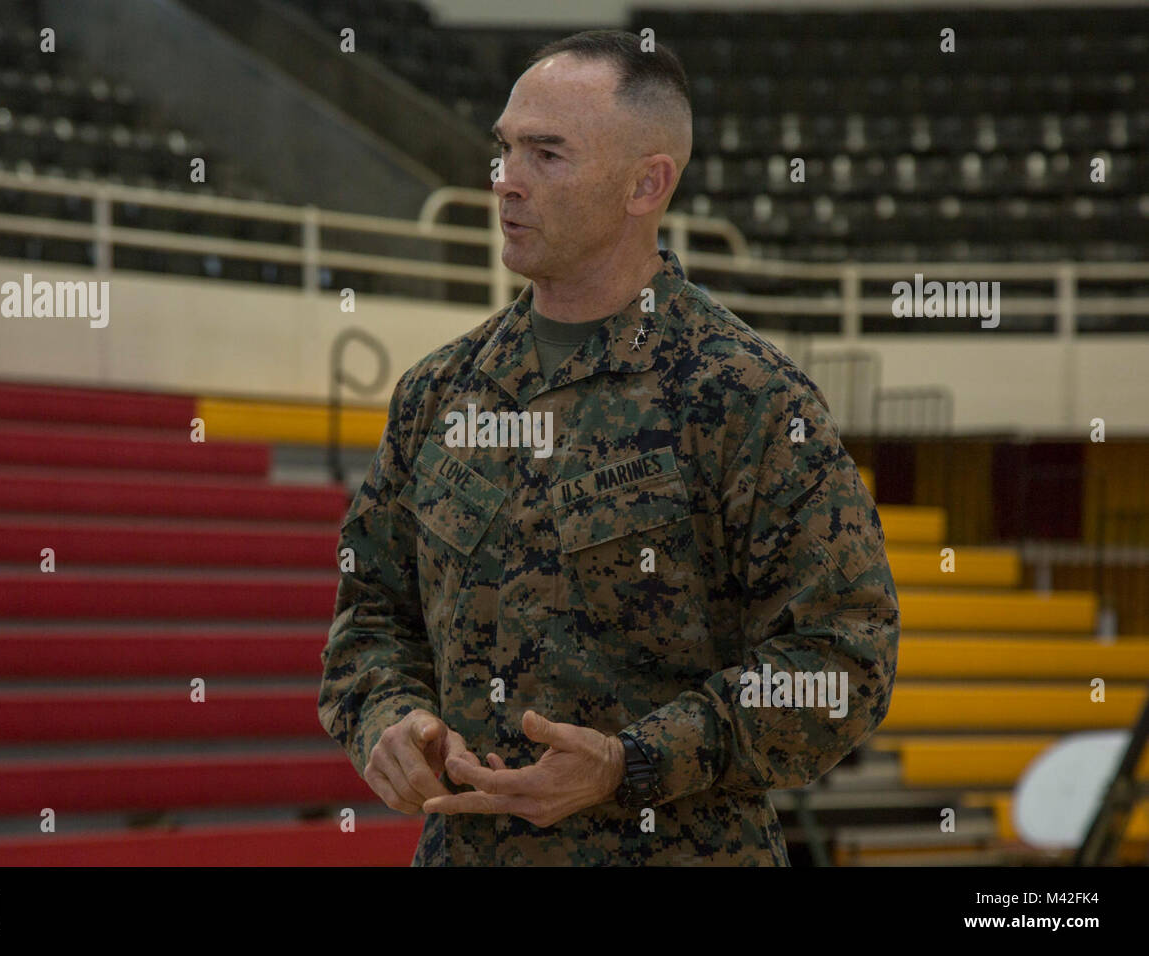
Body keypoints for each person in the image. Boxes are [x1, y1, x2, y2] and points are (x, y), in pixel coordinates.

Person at [318, 29, 900, 865]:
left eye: (545, 155)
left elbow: (843, 660)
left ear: (646, 184)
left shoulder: (746, 398)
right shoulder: (438, 393)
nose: (505, 181)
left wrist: (633, 763)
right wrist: (387, 719)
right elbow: (369, 615)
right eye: (505, 148)